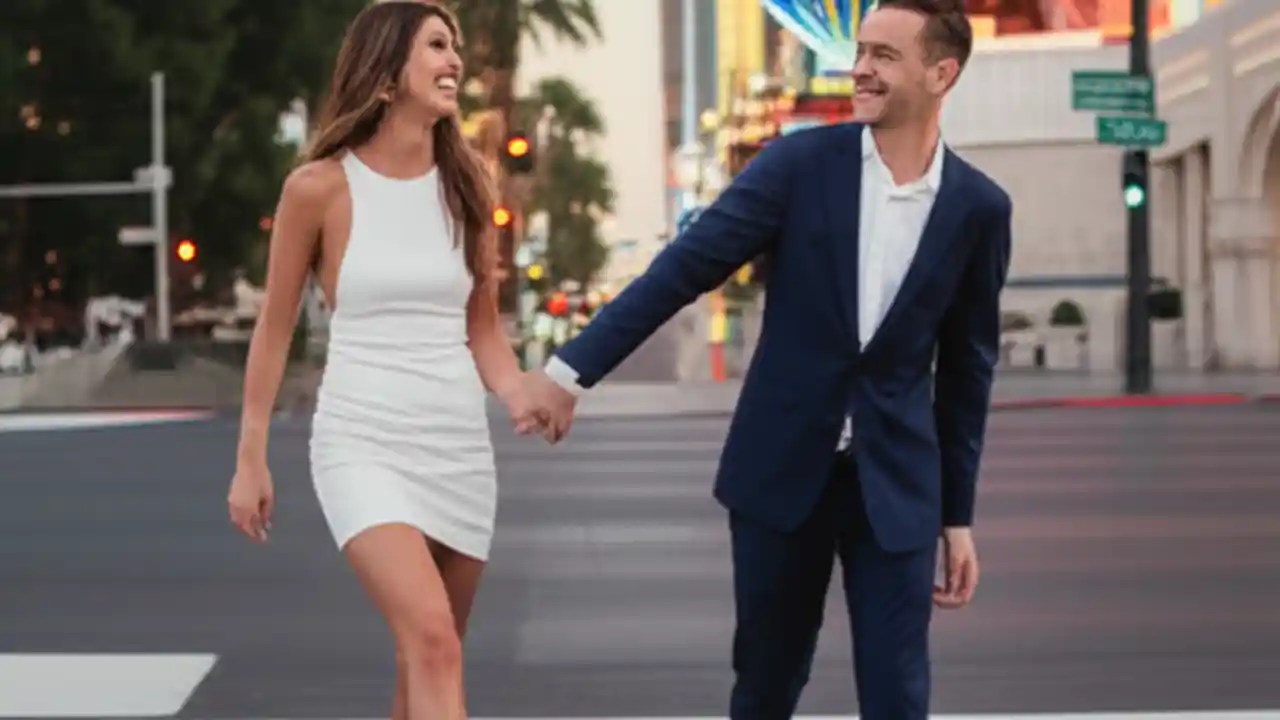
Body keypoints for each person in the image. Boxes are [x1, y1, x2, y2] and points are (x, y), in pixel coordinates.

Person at [523, 0, 1012, 717]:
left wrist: (957, 514)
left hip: (897, 489)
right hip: (781, 473)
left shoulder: (978, 208)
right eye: (862, 50)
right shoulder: (798, 164)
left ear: (942, 73)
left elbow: (968, 371)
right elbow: (685, 269)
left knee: (900, 695)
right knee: (767, 683)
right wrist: (568, 373)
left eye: (884, 55)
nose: (861, 68)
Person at [225, 3, 544, 718]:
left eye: (454, 46)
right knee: (434, 643)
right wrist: (251, 456)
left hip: (458, 448)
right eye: (437, 45)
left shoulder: (468, 186)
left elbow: (483, 331)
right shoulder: (319, 188)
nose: (455, 60)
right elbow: (274, 329)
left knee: (426, 661)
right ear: (386, 69)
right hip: (362, 441)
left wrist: (518, 390)